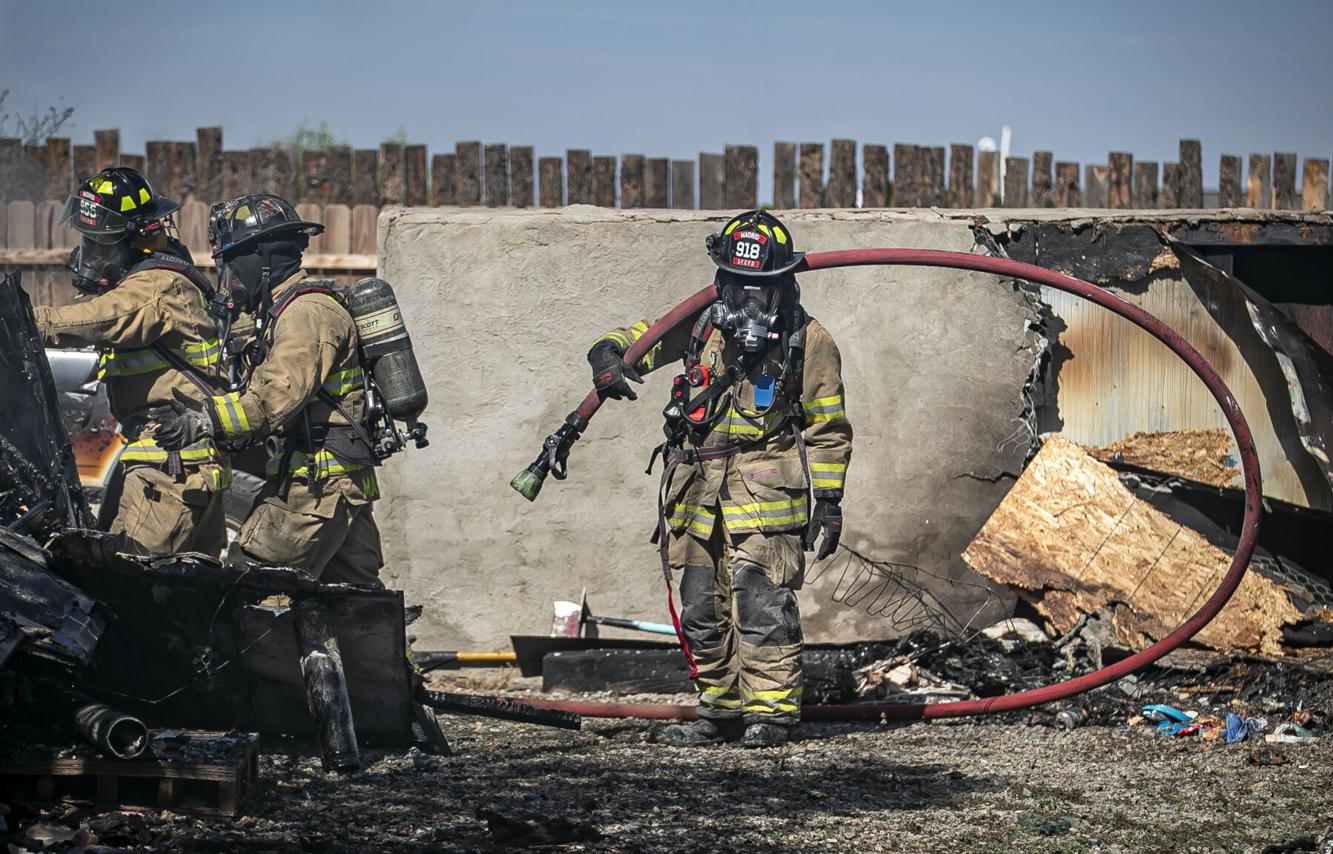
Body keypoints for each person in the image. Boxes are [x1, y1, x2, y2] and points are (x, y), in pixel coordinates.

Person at [587, 210, 852, 747]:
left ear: (783, 285)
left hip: (765, 493)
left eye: (760, 290)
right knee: (700, 603)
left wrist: (828, 500)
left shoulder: (809, 340)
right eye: (736, 286)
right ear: (721, 280)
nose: (746, 301)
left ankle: (772, 715)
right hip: (696, 491)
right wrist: (608, 353)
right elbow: (643, 339)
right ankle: (720, 709)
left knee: (761, 601)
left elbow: (828, 426)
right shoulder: (702, 323)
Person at [151, 194, 383, 585]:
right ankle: (365, 650)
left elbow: (276, 397)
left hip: (315, 488)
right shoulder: (283, 311)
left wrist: (206, 419)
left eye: (232, 263)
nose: (229, 277)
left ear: (260, 258)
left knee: (253, 585)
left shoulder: (305, 313)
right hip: (331, 486)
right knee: (353, 602)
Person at [33, 167, 228, 557]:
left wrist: (26, 319)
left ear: (137, 238)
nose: (92, 255)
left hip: (169, 466)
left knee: (125, 586)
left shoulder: (158, 285)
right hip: (178, 461)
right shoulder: (153, 277)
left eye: (102, 245)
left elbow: (103, 316)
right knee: (184, 599)